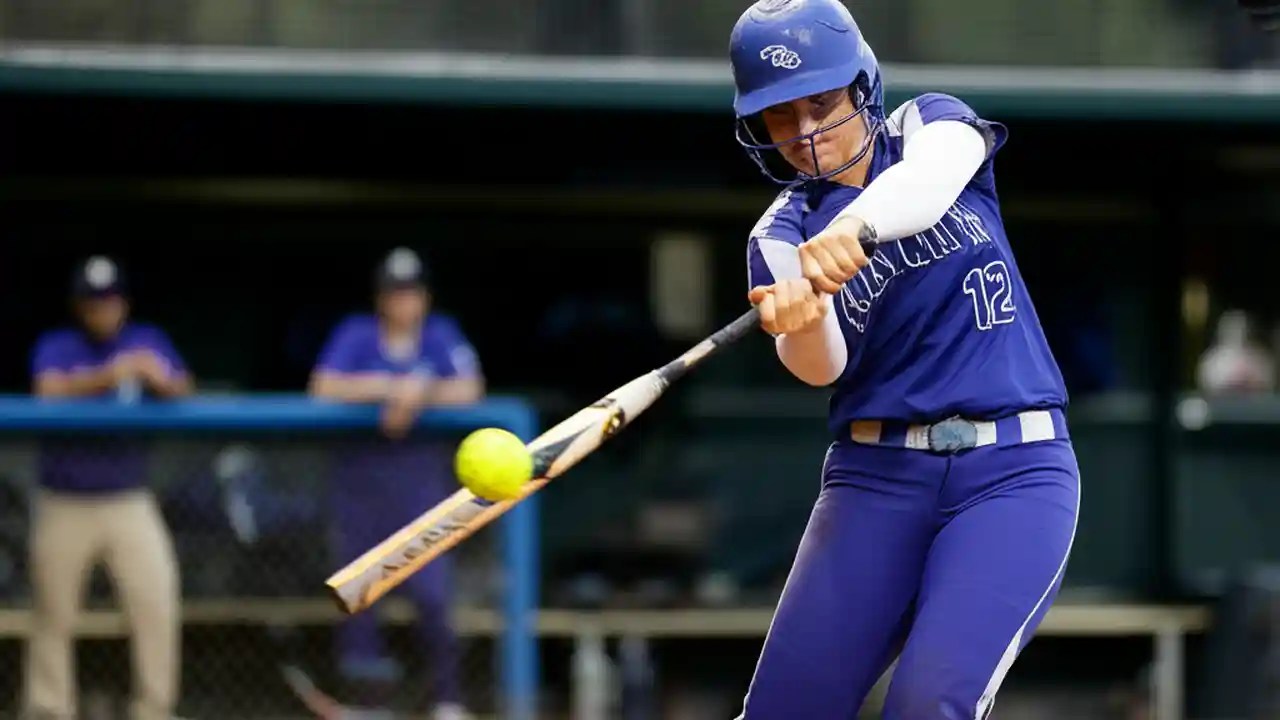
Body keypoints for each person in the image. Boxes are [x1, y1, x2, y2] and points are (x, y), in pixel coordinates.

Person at [729, 1, 1080, 718]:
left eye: (821, 103)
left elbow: (933, 178)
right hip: (875, 480)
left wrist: (855, 226)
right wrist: (802, 317)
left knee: (927, 703)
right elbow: (820, 367)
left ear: (862, 87)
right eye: (779, 117)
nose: (805, 133)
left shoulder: (927, 127)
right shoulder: (781, 237)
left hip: (1011, 472)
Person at [309, 247, 484, 720]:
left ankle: (447, 700)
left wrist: (421, 392)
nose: (404, 301)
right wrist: (390, 387)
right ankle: (365, 704)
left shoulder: (440, 335)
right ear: (381, 298)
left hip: (420, 488)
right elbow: (322, 387)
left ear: (424, 297)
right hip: (360, 489)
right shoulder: (357, 333)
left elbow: (471, 389)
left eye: (411, 292)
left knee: (432, 597)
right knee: (359, 597)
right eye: (395, 292)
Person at [25, 255, 192, 720]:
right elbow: (47, 391)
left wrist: (159, 379)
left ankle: (154, 710)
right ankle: (48, 709)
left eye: (111, 301)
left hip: (128, 499)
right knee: (53, 614)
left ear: (124, 302)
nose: (104, 310)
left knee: (157, 601)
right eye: (94, 302)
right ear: (80, 307)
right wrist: (111, 374)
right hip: (64, 500)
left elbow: (184, 388)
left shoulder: (148, 341)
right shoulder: (58, 344)